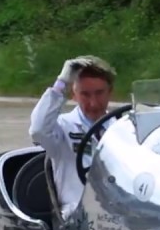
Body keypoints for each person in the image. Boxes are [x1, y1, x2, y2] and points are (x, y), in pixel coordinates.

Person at [28, 55, 116, 220]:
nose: (93, 103)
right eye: (85, 94)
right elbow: (37, 129)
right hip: (77, 218)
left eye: (99, 93)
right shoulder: (61, 127)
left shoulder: (122, 127)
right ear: (74, 95)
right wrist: (62, 82)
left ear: (110, 92)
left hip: (119, 216)